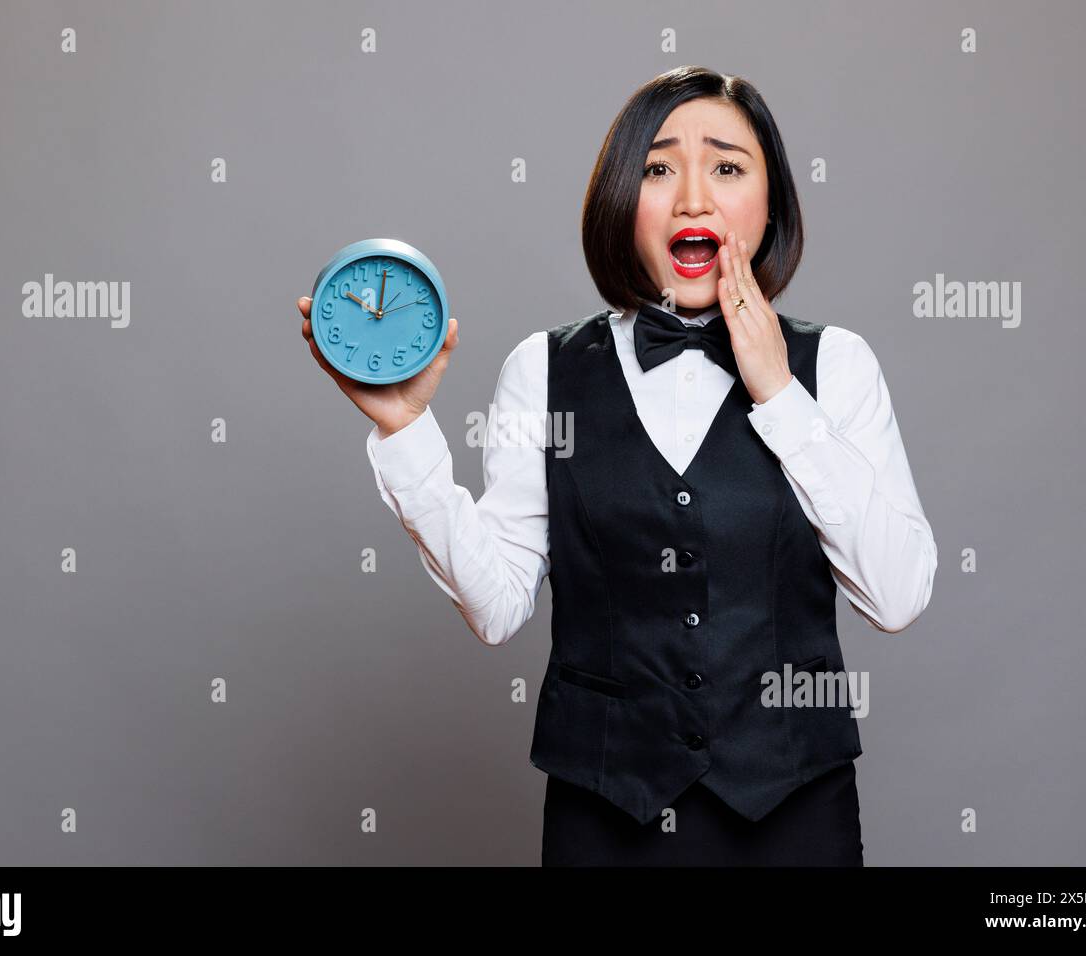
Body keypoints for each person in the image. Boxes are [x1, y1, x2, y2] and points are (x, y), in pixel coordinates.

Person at [299, 66, 937, 866]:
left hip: (795, 816)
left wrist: (778, 392)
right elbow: (496, 608)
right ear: (619, 203)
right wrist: (405, 432)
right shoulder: (544, 369)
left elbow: (899, 594)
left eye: (728, 168)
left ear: (769, 205)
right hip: (603, 816)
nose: (694, 199)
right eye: (659, 169)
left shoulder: (836, 366)